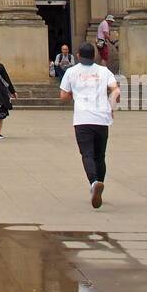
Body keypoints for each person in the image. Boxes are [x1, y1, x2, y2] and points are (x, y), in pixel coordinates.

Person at [59, 43, 120, 208]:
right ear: (94, 56)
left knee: (87, 154)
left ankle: (94, 183)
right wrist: (111, 107)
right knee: (100, 155)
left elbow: (63, 95)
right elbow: (116, 91)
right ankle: (100, 182)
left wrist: (73, 93)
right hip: (102, 118)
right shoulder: (103, 71)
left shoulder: (71, 71)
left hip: (82, 118)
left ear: (78, 55)